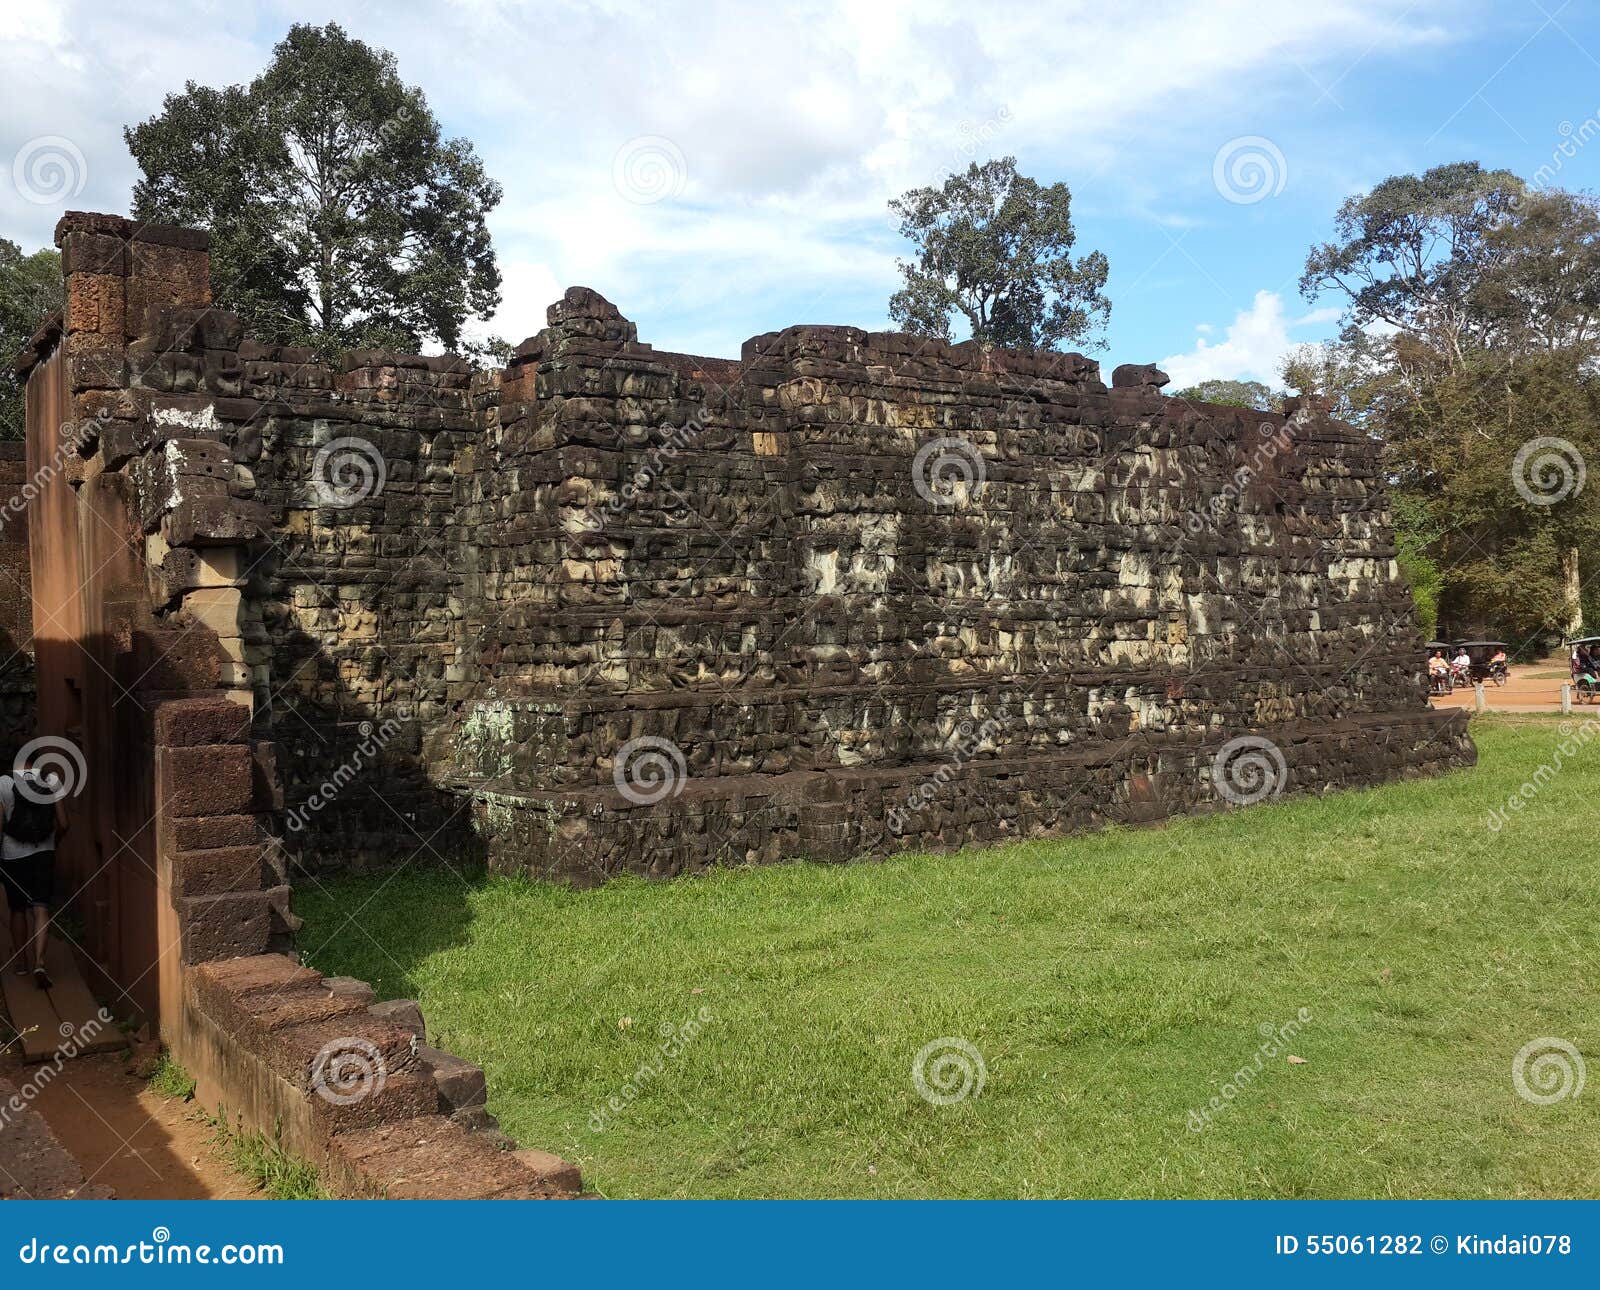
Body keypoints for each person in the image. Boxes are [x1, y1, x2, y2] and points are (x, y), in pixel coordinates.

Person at [0, 751, 68, 990]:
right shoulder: (51, 780)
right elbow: (64, 823)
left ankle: (21, 962)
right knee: (40, 908)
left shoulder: (5, 783)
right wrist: (52, 843)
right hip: (44, 853)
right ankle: (40, 962)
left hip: (12, 855)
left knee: (17, 909)